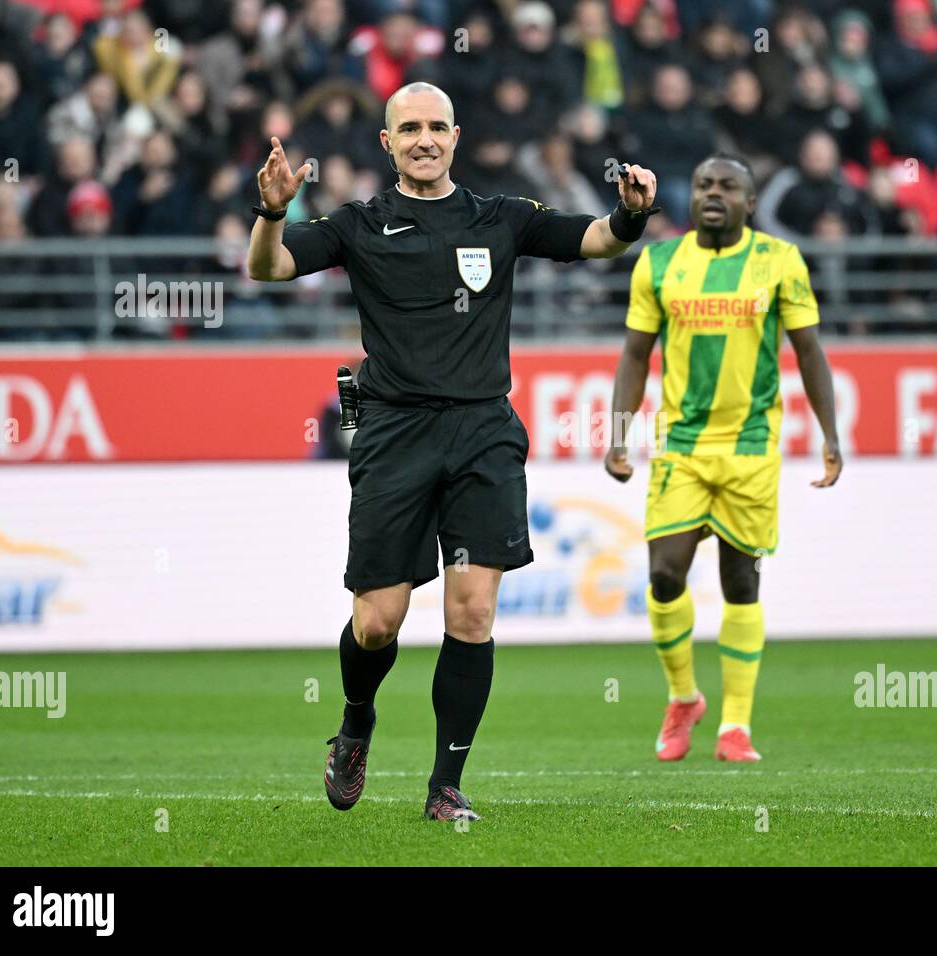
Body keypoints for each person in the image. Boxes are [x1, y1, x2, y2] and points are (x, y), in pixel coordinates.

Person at [247, 81, 657, 821]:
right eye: (410, 129)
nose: (425, 139)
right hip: (394, 433)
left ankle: (445, 787)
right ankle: (355, 725)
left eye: (438, 126)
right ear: (387, 142)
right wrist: (273, 212)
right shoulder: (358, 223)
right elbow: (268, 269)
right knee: (377, 622)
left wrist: (632, 212)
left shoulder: (499, 217)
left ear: (457, 136)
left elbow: (593, 239)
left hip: (481, 433)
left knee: (471, 614)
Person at [604, 153, 843, 763]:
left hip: (751, 450)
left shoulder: (779, 261)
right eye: (704, 183)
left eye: (728, 186)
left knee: (741, 583)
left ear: (751, 201)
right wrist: (618, 436)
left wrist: (830, 434)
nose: (713, 193)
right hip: (681, 448)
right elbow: (635, 356)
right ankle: (684, 697)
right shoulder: (658, 262)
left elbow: (809, 351)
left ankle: (736, 724)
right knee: (663, 574)